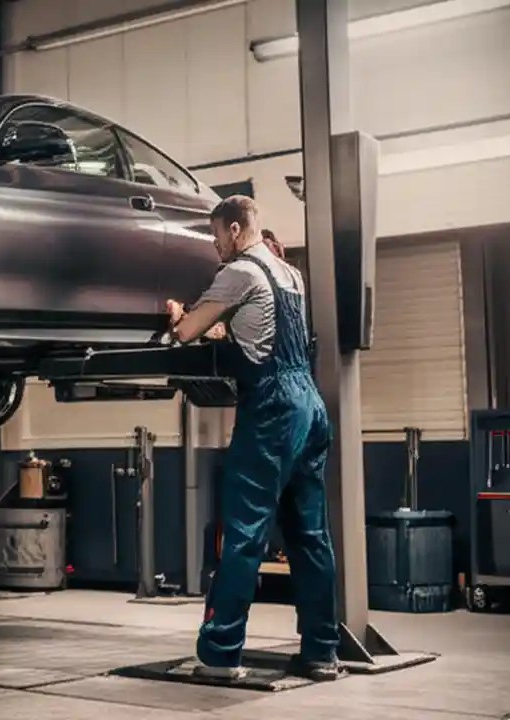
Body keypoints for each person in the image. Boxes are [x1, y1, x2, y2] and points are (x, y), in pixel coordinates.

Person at [165, 195, 341, 682]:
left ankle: (222, 655)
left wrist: (180, 313)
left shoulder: (239, 271)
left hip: (272, 409)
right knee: (311, 536)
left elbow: (186, 333)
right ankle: (322, 651)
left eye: (217, 235)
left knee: (243, 533)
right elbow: (265, 330)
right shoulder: (290, 273)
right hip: (310, 404)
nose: (215, 245)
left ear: (237, 229)